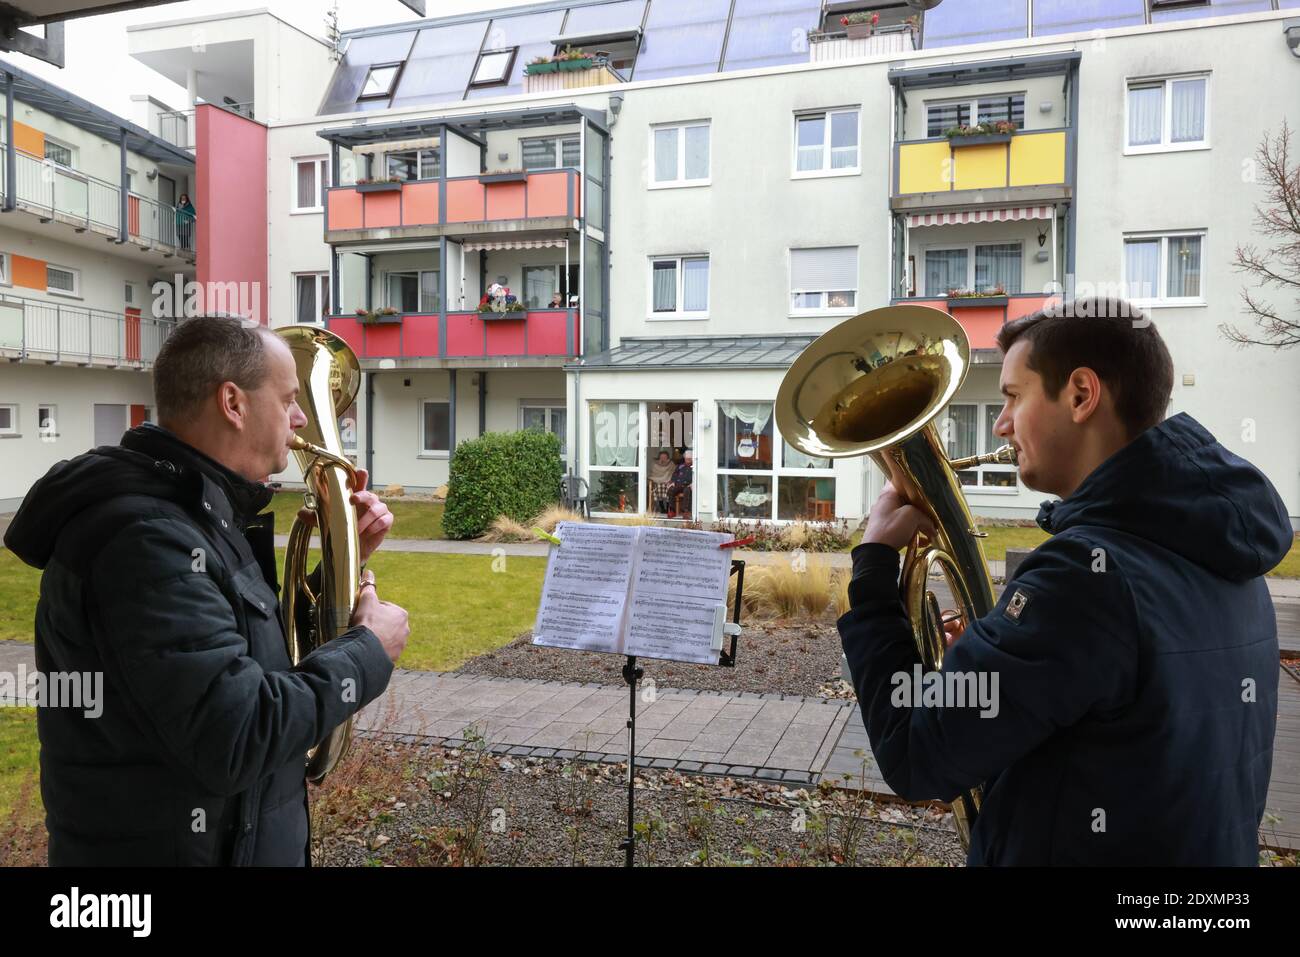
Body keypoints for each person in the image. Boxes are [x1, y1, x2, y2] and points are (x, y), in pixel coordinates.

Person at [838, 297, 1290, 865]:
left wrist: (875, 564)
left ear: (1081, 395)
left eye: (1012, 397)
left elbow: (915, 753)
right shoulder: (1229, 552)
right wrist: (996, 662)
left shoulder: (1085, 578)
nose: (1001, 424)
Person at [3, 315, 410, 866]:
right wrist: (367, 651)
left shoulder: (194, 513)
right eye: (290, 399)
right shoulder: (144, 539)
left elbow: (238, 650)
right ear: (233, 403)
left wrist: (340, 563)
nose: (300, 420)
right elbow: (234, 735)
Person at [667, 448, 693, 518]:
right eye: (686, 459)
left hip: (688, 486)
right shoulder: (680, 466)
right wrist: (672, 482)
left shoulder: (695, 467)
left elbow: (697, 477)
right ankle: (672, 510)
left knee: (687, 490)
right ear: (684, 458)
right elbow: (674, 475)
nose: (688, 460)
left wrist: (693, 483)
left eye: (689, 459)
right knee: (671, 489)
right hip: (678, 484)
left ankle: (685, 511)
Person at [648, 449, 674, 514]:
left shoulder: (671, 464)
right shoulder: (655, 465)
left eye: (664, 457)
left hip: (668, 481)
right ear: (659, 457)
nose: (663, 459)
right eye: (661, 457)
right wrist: (661, 479)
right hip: (657, 481)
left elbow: (673, 473)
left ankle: (668, 507)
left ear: (667, 458)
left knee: (669, 487)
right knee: (658, 486)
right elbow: (653, 474)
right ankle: (662, 507)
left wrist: (668, 480)